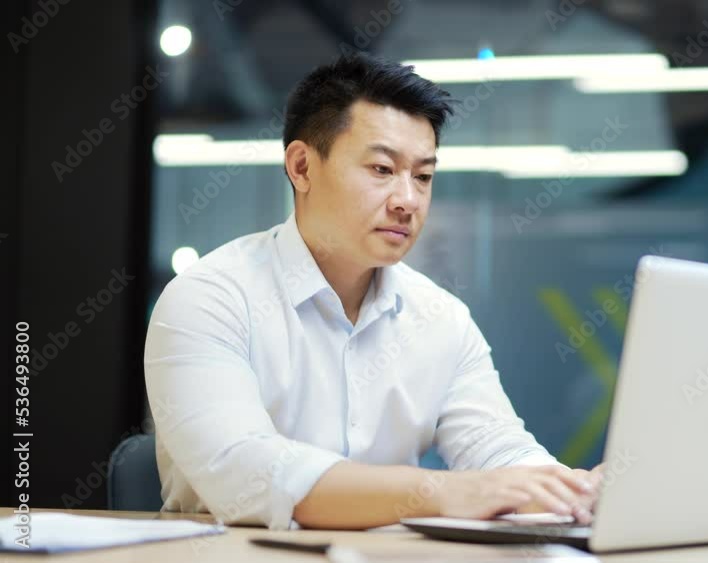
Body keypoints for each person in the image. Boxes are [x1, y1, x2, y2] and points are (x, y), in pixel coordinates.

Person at [144, 52, 602, 531]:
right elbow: (246, 473)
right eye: (382, 169)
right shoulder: (209, 298)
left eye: (423, 176)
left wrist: (574, 492)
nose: (408, 200)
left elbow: (498, 449)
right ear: (302, 167)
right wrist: (443, 491)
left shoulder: (440, 317)